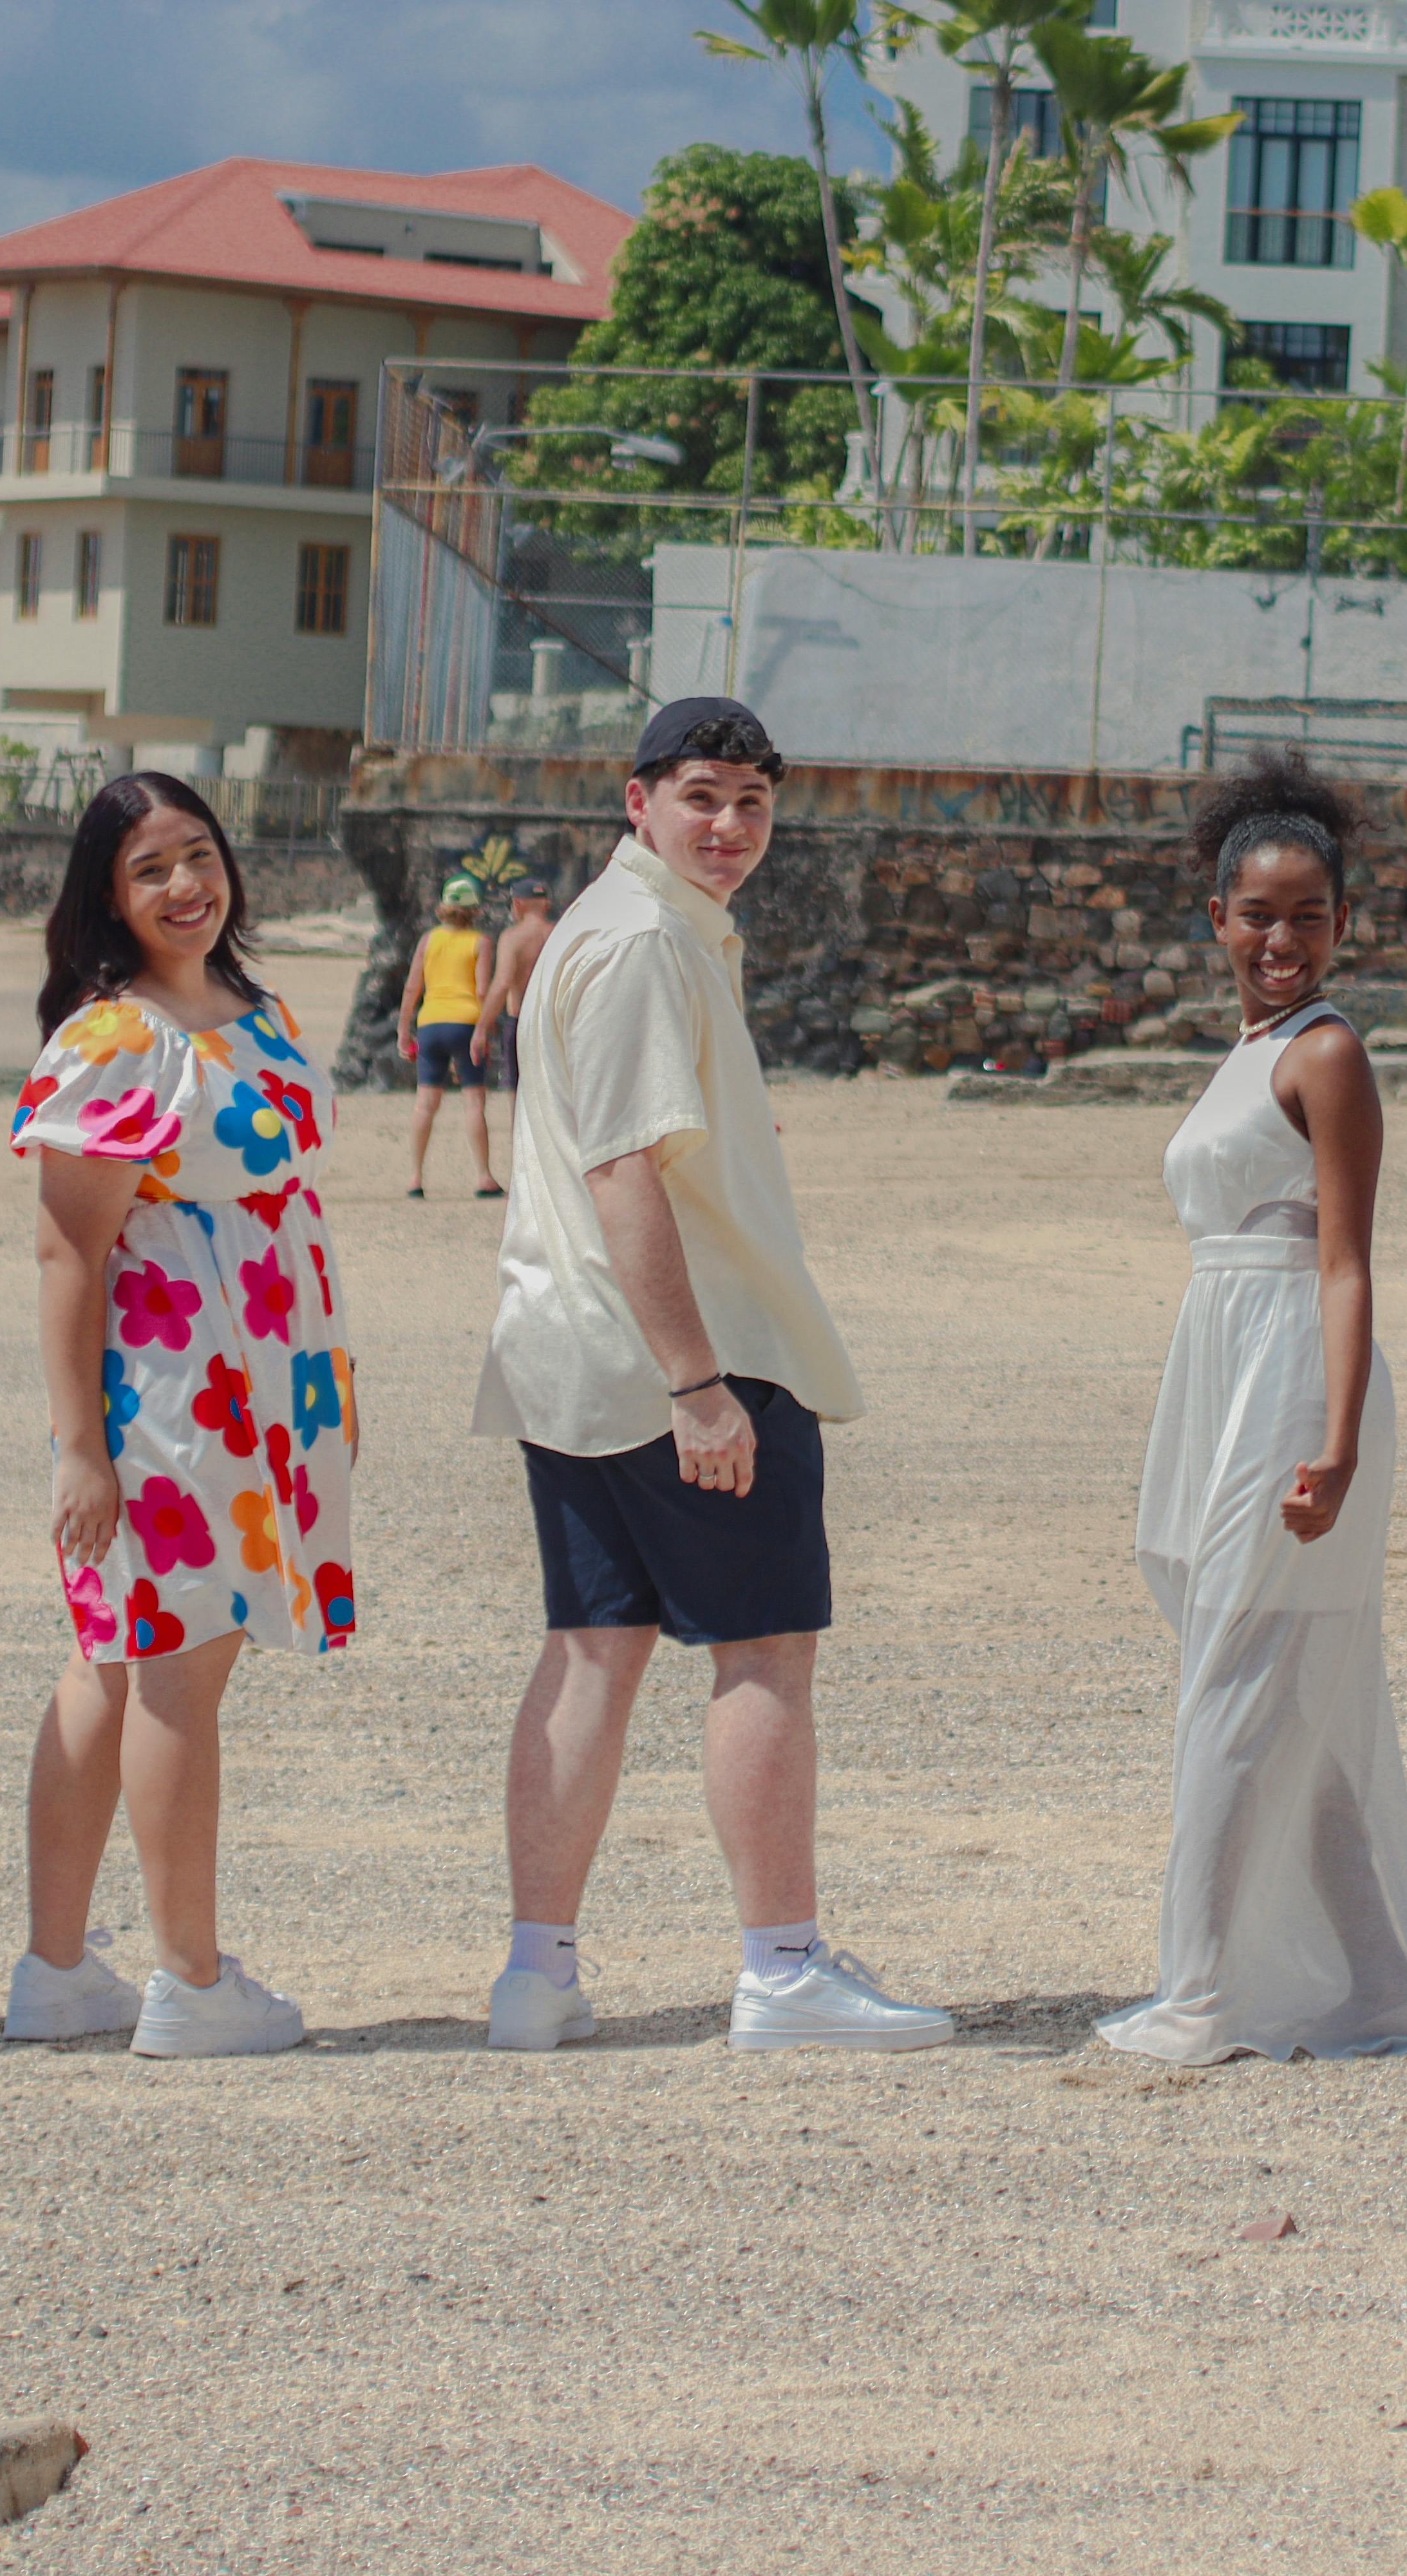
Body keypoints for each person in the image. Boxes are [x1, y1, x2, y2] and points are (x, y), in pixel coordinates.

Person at [471, 696, 950, 2054]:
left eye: (750, 799)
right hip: (678, 1353)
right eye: (701, 796)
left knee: (595, 1641)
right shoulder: (637, 947)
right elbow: (626, 1170)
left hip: (570, 1347)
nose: (729, 825)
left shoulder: (630, 930)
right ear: (639, 803)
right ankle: (783, 1964)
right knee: (763, 1648)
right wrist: (697, 1381)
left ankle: (537, 1969)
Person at [1096, 754, 1407, 2066]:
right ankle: (1386, 1985)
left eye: (1309, 914)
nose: (1283, 938)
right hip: (1223, 1364)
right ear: (1218, 918)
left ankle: (1200, 1992)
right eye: (1259, 913)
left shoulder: (1330, 1054)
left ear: (1343, 924)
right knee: (1291, 1698)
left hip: (1294, 1375)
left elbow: (1347, 1259)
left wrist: (1340, 1441)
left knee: (1242, 1689)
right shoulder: (1246, 1053)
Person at [3, 773, 357, 2059]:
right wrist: (82, 1445)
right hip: (171, 1388)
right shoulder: (115, 1036)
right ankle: (193, 1979)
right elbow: (64, 1255)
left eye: (197, 856)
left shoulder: (253, 1011)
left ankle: (58, 1972)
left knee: (119, 1658)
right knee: (178, 1659)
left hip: (262, 1377)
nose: (184, 887)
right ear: (108, 892)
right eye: (150, 868)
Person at [397, 875, 501, 1199]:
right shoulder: (480, 942)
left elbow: (414, 986)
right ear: (474, 909)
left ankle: (415, 1177)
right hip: (467, 1022)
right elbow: (483, 989)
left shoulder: (428, 940)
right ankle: (483, 1177)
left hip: (431, 1022)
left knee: (425, 1103)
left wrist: (403, 1029)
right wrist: (488, 1027)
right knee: (474, 1101)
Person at [470, 878, 554, 1094]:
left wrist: (481, 1029)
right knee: (555, 1094)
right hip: (555, 1022)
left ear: (517, 904)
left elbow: (502, 983)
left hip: (521, 1022)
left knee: (520, 1096)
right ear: (546, 904)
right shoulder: (562, 933)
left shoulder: (513, 938)